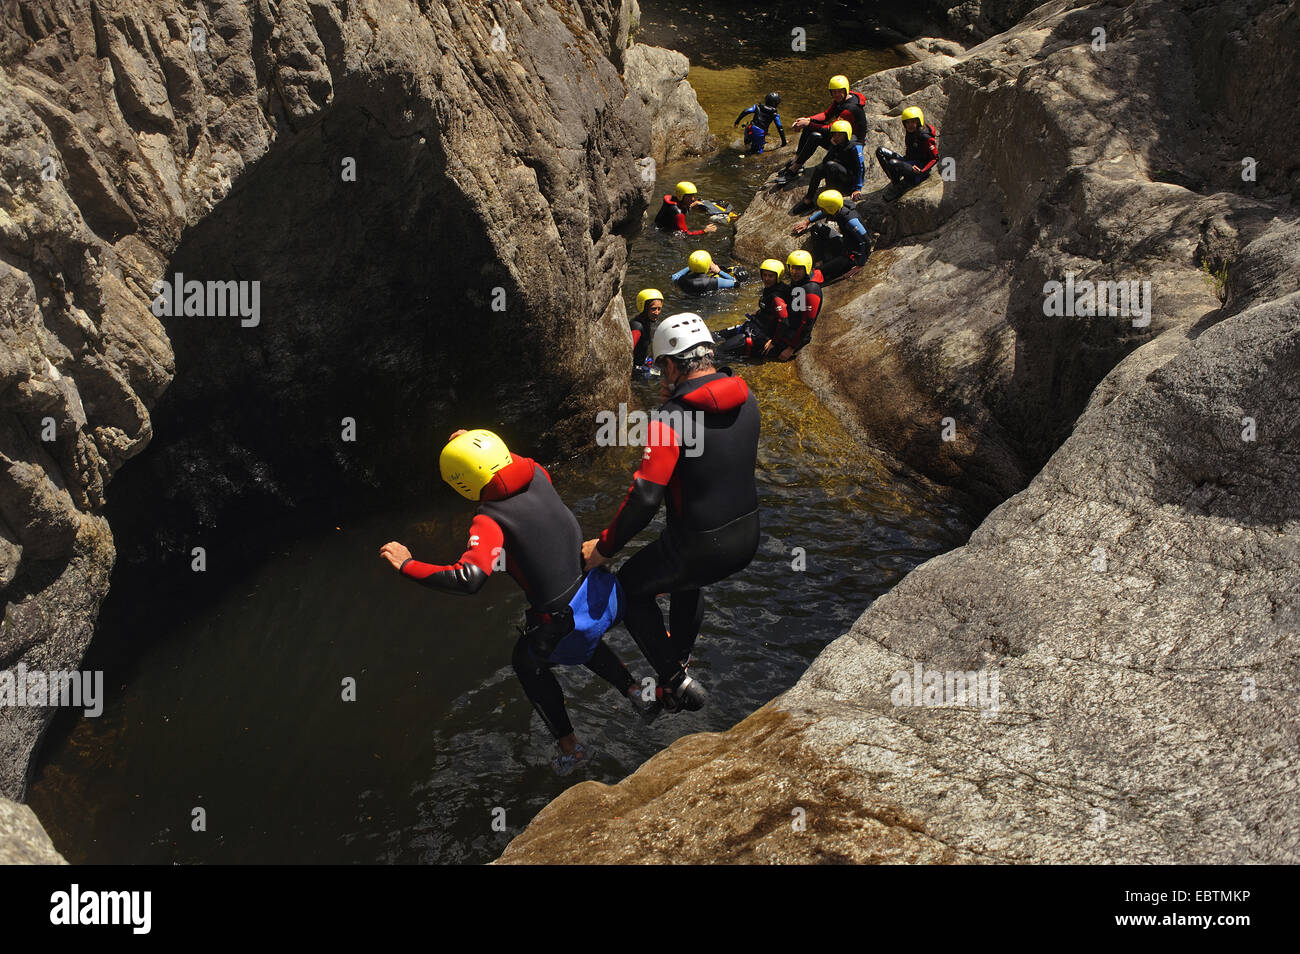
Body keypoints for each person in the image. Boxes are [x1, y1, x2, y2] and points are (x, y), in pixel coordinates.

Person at [380, 429, 649, 776]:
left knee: (527, 662)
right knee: (575, 636)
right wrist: (474, 443)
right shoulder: (537, 472)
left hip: (564, 620)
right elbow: (510, 468)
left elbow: (469, 579)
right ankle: (637, 691)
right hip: (601, 596)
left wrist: (407, 564)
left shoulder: (490, 519)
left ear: (462, 483)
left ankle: (573, 750)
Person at [582, 314, 761, 714]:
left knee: (629, 586)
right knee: (685, 579)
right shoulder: (747, 397)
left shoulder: (669, 420)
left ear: (673, 365)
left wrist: (605, 549)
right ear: (710, 355)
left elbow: (645, 498)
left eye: (663, 365)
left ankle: (676, 681)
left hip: (699, 547)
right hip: (746, 539)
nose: (661, 372)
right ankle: (679, 657)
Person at [776, 74, 867, 183]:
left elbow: (830, 129)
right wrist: (808, 119)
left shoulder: (851, 109)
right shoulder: (841, 100)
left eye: (839, 91)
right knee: (809, 128)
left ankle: (794, 169)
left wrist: (808, 124)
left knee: (815, 136)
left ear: (846, 90)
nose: (836, 94)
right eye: (834, 92)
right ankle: (797, 160)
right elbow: (826, 115)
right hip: (840, 137)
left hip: (848, 146)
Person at [791, 189, 871, 284]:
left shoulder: (851, 221)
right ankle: (820, 259)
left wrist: (860, 264)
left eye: (822, 208)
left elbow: (866, 241)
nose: (820, 210)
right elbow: (824, 212)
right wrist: (808, 221)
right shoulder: (839, 205)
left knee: (820, 271)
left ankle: (821, 270)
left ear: (830, 209)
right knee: (817, 228)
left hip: (852, 255)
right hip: (845, 243)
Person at [714, 259, 789, 359]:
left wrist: (774, 342)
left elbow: (784, 321)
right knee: (716, 336)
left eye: (770, 276)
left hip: (757, 336)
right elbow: (769, 311)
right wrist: (758, 313)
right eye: (764, 275)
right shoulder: (771, 288)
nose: (766, 278)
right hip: (752, 326)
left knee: (718, 352)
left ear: (778, 277)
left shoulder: (777, 297)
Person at [792, 120, 864, 212]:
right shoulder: (837, 143)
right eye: (835, 134)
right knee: (820, 168)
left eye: (839, 135)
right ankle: (808, 200)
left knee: (830, 166)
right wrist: (833, 147)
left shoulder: (855, 146)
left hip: (849, 179)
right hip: (836, 171)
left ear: (846, 135)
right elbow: (826, 160)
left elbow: (860, 168)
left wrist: (857, 188)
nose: (836, 137)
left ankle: (829, 198)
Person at [765, 249, 823, 360]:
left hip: (797, 335)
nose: (794, 272)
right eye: (792, 268)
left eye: (799, 269)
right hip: (790, 326)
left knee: (766, 352)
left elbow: (807, 323)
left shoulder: (811, 290)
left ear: (807, 268)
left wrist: (791, 349)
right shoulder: (797, 282)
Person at [873, 106, 939, 200]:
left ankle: (900, 186)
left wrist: (922, 170)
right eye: (907, 122)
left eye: (913, 122)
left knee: (893, 163)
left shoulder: (925, 137)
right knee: (880, 151)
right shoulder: (911, 132)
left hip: (918, 170)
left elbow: (935, 158)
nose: (910, 125)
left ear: (918, 122)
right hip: (909, 161)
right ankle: (896, 181)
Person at [653, 181, 718, 236]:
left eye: (693, 195)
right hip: (663, 235)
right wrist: (704, 231)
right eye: (689, 196)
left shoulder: (672, 201)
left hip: (656, 226)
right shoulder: (678, 213)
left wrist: (690, 206)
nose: (693, 199)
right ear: (681, 196)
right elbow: (686, 234)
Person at [672, 249, 739, 296]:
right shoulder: (714, 282)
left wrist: (694, 265)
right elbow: (736, 283)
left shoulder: (682, 279)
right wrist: (719, 271)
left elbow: (674, 276)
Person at [630, 288, 664, 376]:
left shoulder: (646, 321)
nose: (657, 312)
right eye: (653, 309)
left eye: (659, 309)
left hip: (644, 362)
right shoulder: (637, 326)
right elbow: (629, 351)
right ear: (644, 308)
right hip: (637, 369)